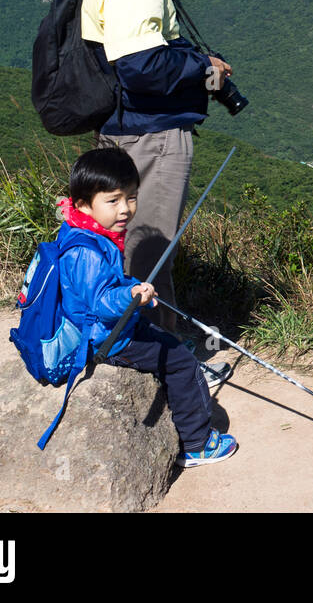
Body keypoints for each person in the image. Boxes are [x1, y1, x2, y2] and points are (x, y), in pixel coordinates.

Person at [83, 0, 233, 386]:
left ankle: (154, 343)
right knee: (149, 248)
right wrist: (204, 69)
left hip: (123, 129)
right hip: (150, 135)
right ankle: (165, 361)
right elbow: (139, 66)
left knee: (137, 245)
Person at [57, 146, 237, 467]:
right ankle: (196, 442)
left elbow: (102, 288)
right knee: (182, 362)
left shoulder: (84, 231)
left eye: (131, 197)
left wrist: (131, 288)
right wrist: (130, 296)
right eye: (113, 201)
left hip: (104, 328)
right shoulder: (87, 251)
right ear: (83, 204)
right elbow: (100, 303)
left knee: (166, 342)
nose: (125, 209)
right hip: (106, 337)